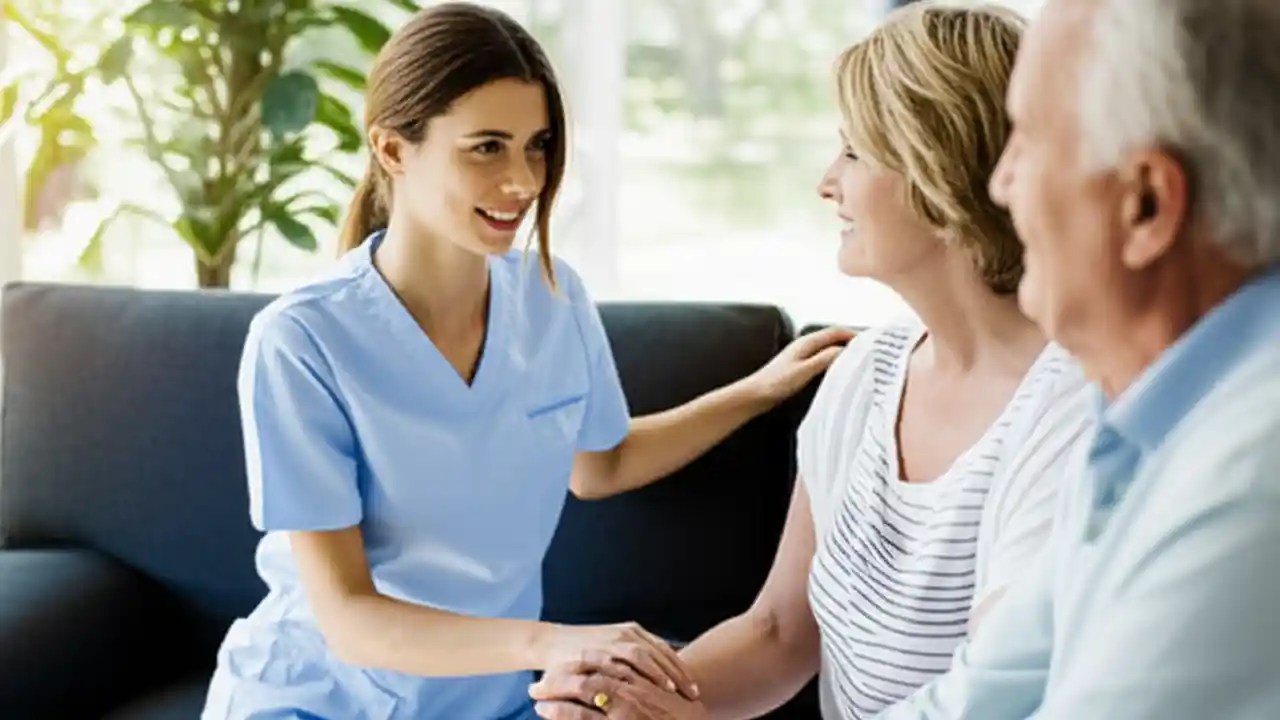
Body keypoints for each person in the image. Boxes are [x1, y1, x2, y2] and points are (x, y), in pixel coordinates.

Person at [199, 4, 851, 719]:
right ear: (392, 149)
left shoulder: (553, 296)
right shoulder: (302, 340)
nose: (524, 180)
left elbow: (600, 465)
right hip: (315, 701)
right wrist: (555, 643)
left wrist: (761, 389)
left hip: (498, 701)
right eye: (487, 147)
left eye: (536, 145)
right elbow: (349, 616)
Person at [529, 4, 1093, 719]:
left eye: (854, 152)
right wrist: (620, 698)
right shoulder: (864, 375)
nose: (828, 183)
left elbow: (1000, 704)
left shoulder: (1073, 407)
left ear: (939, 173)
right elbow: (778, 636)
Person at [877, 0, 1280, 716]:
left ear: (1146, 205)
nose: (999, 185)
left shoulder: (1255, 469)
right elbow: (973, 700)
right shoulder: (1142, 416)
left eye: (1027, 142)